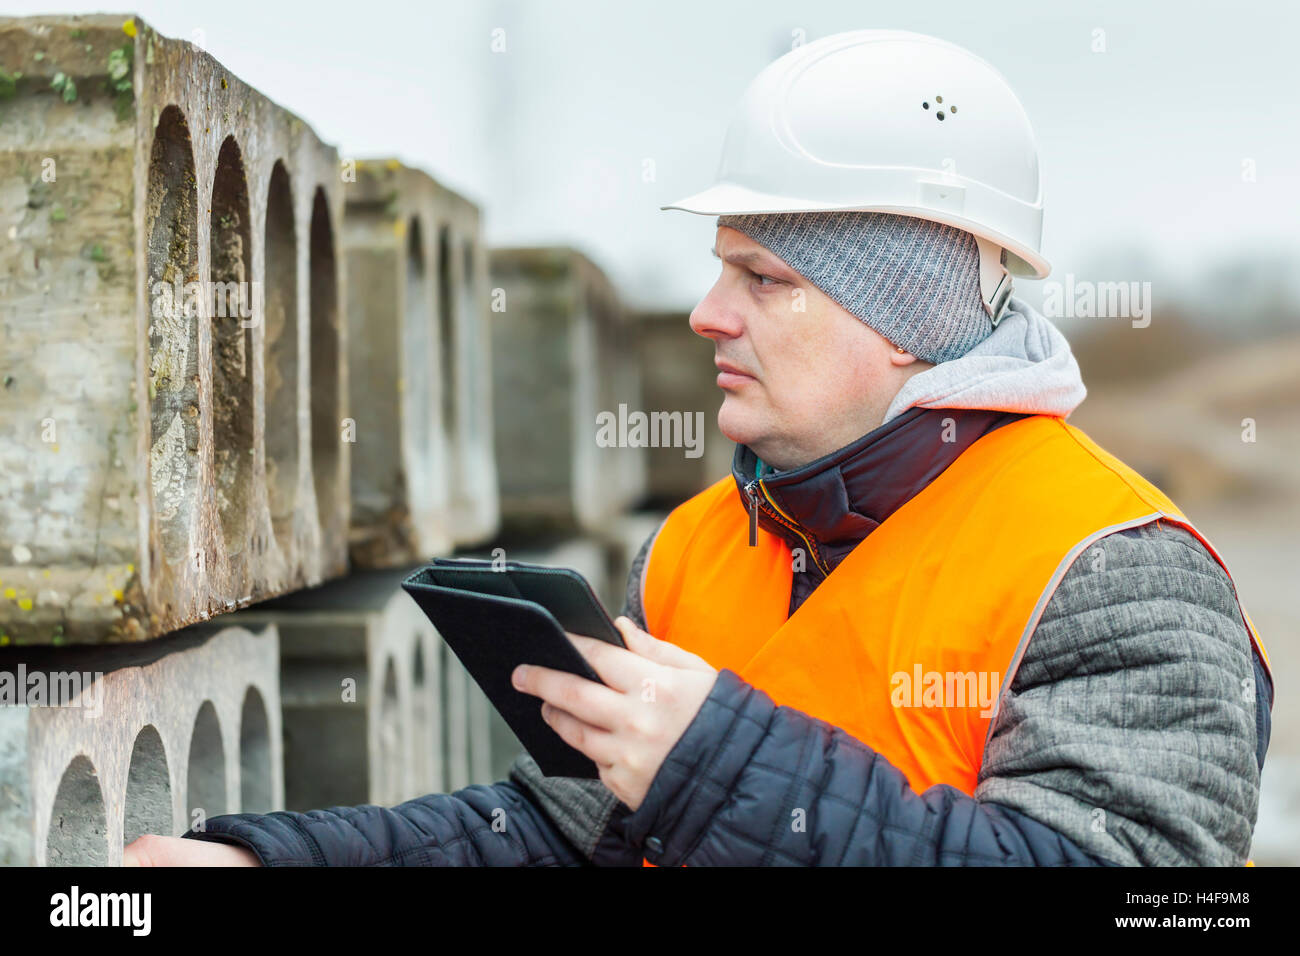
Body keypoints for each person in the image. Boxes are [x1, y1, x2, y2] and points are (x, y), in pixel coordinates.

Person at [125, 29, 1273, 867]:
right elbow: (568, 839)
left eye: (763, 277)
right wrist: (265, 862)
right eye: (722, 265)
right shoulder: (701, 544)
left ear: (905, 319)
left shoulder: (1120, 573)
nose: (707, 313)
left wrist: (711, 763)